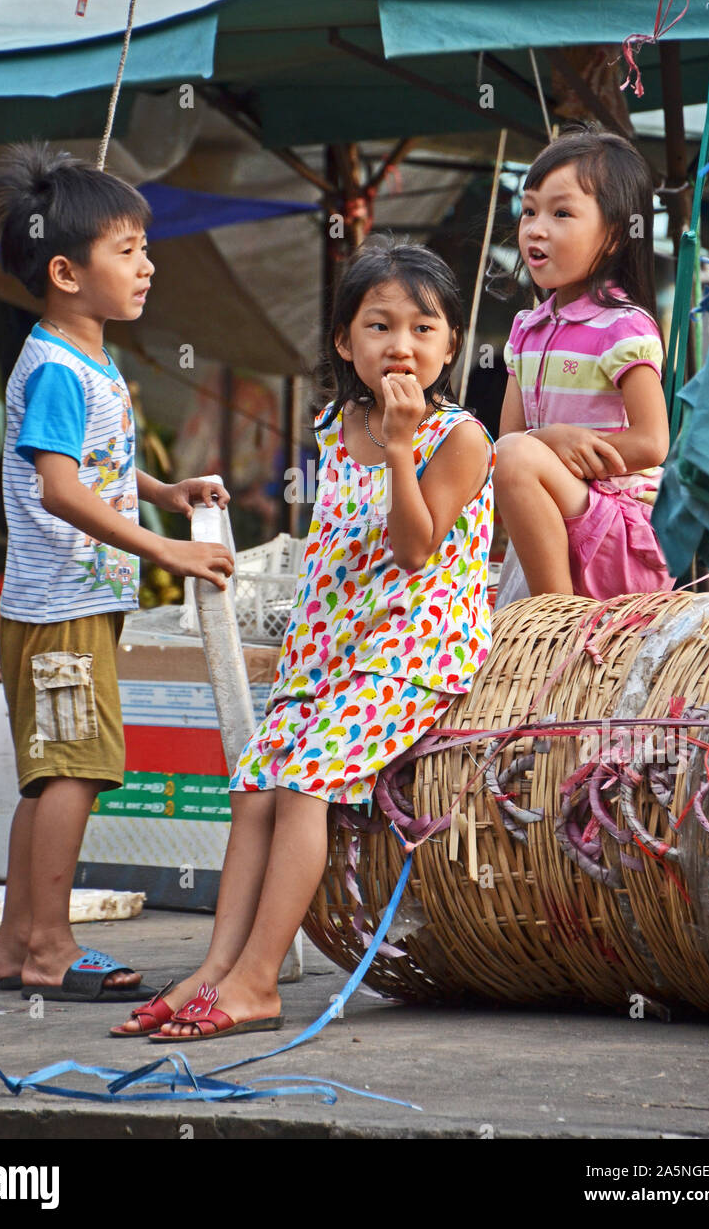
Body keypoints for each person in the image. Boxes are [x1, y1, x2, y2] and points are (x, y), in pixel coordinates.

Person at [112, 237, 495, 1040]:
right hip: (326, 650)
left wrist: (399, 445)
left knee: (304, 785)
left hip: (410, 653)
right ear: (342, 342)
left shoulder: (460, 437)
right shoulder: (336, 419)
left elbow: (416, 548)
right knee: (254, 785)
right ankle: (218, 967)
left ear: (451, 343)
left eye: (423, 329)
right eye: (378, 326)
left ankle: (259, 981)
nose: (400, 346)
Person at [0, 143, 234, 1002]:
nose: (146, 266)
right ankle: (51, 947)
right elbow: (58, 492)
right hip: (61, 611)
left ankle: (17, 943)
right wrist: (162, 547)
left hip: (64, 604)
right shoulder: (56, 365)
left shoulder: (87, 358)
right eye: (126, 251)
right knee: (74, 771)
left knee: (53, 770)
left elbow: (89, 470)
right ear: (64, 270)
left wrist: (162, 491)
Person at [493, 128, 674, 600]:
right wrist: (548, 442)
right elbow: (511, 441)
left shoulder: (623, 326)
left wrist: (552, 449)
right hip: (549, 522)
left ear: (614, 235)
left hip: (618, 529)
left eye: (561, 213)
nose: (536, 228)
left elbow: (652, 442)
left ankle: (556, 622)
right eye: (529, 209)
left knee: (514, 457)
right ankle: (552, 616)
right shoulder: (525, 330)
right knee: (503, 454)